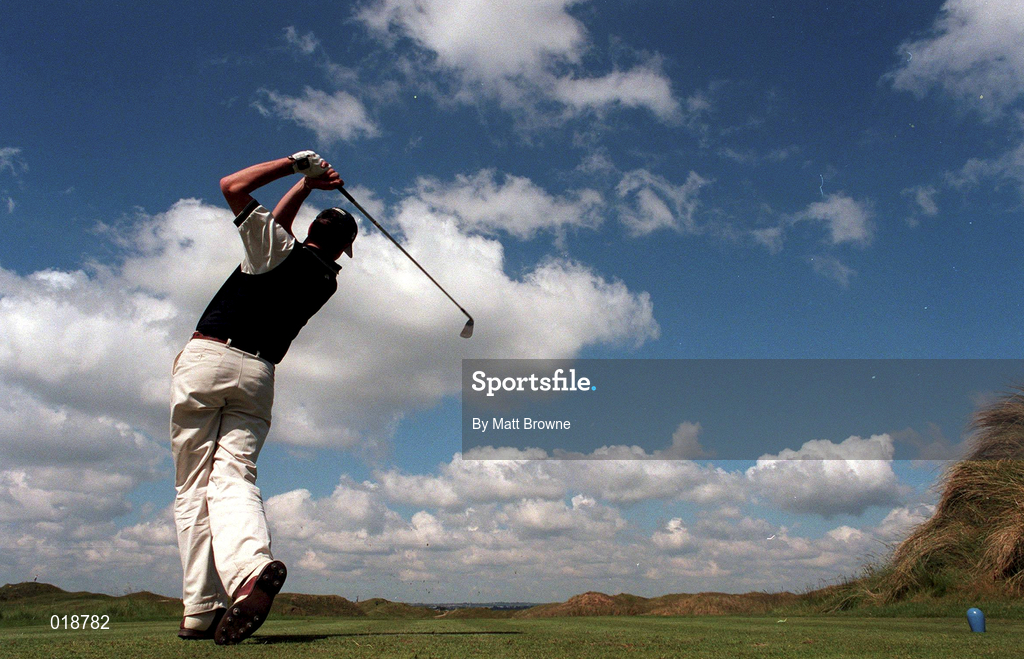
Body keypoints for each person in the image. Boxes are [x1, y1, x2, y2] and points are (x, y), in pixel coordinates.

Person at [170, 151, 356, 644]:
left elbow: (233, 185)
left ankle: (200, 608)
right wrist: (309, 187)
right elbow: (275, 230)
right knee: (234, 477)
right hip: (259, 375)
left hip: (209, 358)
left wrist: (298, 168)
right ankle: (249, 572)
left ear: (311, 230)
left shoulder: (274, 248)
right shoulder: (327, 278)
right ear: (344, 250)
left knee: (193, 486)